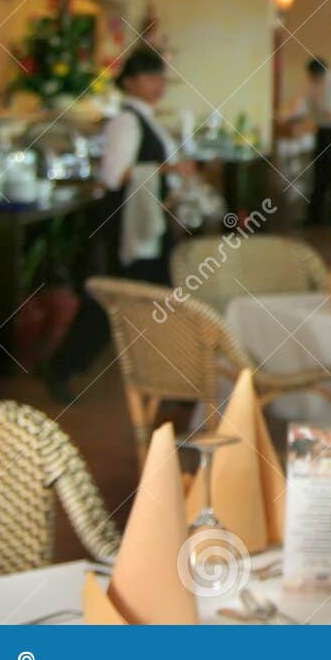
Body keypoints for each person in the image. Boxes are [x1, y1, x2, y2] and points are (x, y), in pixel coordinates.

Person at [46, 45, 193, 401]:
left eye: (160, 78)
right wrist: (168, 170)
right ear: (130, 82)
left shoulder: (148, 119)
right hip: (128, 228)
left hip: (147, 225)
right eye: (149, 77)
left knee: (159, 301)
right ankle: (61, 368)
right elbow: (113, 177)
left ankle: (172, 381)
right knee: (109, 301)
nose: (157, 84)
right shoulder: (126, 122)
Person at [285, 57, 331, 226]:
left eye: (317, 77)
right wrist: (294, 119)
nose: (315, 80)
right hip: (322, 130)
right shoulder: (312, 85)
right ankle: (314, 217)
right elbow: (306, 106)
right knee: (319, 173)